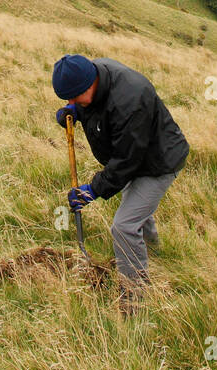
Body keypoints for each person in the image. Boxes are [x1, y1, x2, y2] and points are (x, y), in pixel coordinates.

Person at [52, 54, 189, 313]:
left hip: (159, 163)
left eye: (73, 97)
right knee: (135, 209)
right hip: (134, 157)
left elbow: (127, 161)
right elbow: (94, 108)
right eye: (66, 99)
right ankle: (153, 250)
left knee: (124, 226)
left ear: (88, 83)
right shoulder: (92, 77)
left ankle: (133, 299)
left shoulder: (131, 99)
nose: (70, 103)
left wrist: (93, 190)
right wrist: (76, 111)